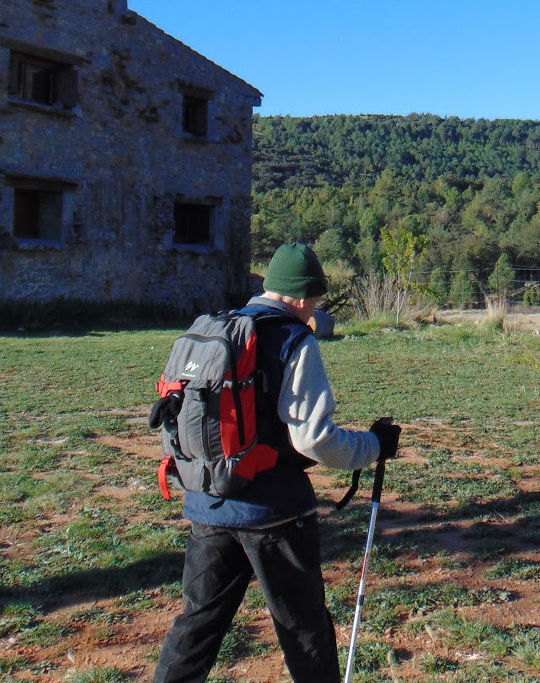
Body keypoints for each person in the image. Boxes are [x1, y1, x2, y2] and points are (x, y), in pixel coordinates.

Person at [152, 242, 401, 683]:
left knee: (198, 624)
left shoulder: (215, 328)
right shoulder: (293, 340)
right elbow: (315, 440)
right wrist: (373, 446)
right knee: (302, 628)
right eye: (317, 300)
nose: (316, 309)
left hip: (208, 500)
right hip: (274, 514)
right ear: (304, 296)